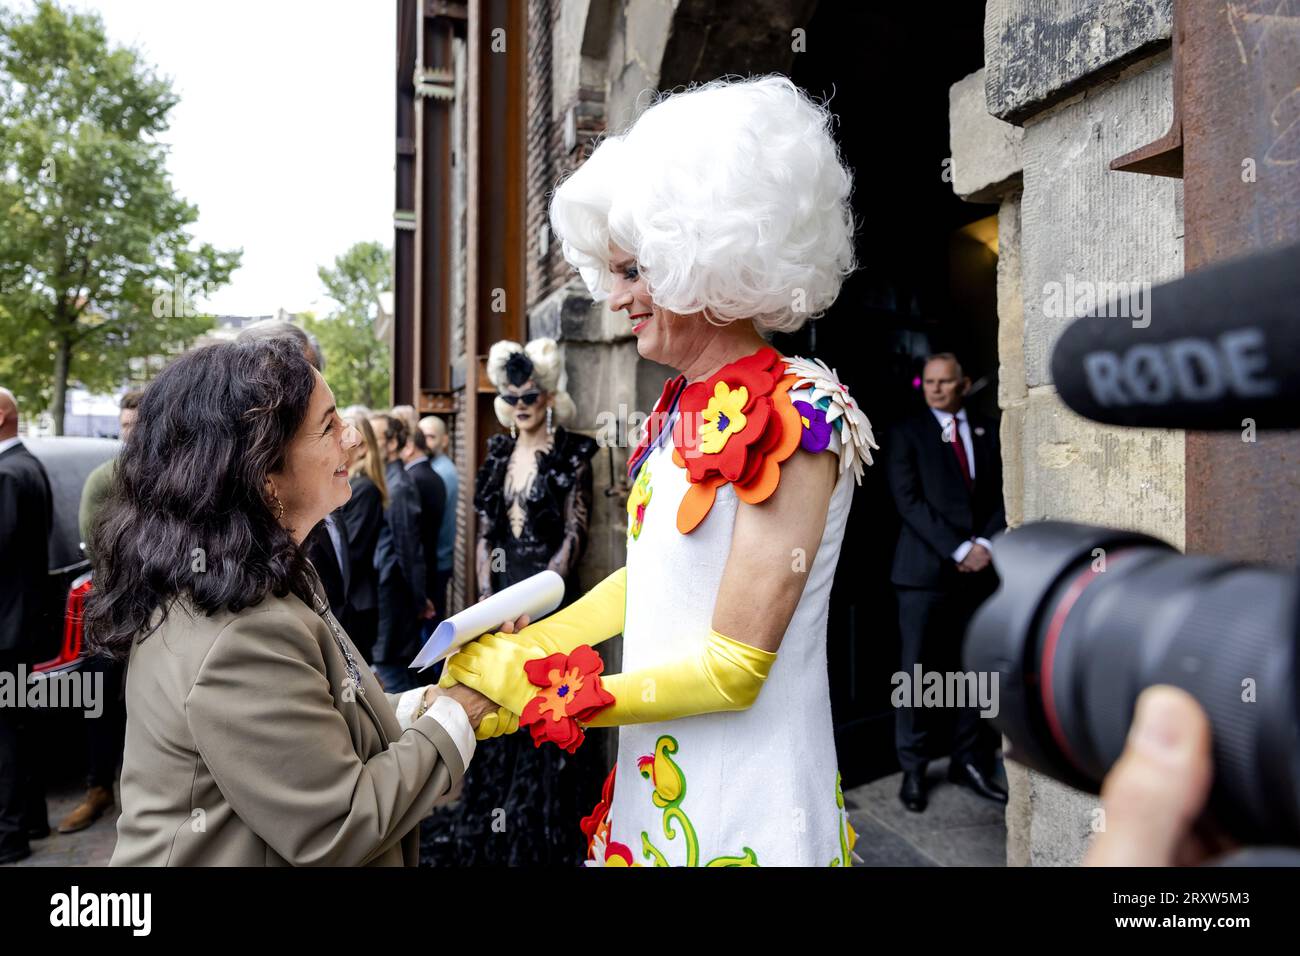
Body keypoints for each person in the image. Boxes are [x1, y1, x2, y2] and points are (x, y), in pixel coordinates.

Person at [439, 76, 878, 866]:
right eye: (614, 272)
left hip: (745, 810)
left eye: (636, 271)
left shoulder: (803, 408)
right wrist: (532, 653)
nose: (616, 298)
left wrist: (546, 695)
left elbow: (735, 669)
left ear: (709, 261)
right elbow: (654, 578)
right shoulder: (678, 407)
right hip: (651, 788)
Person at [84, 338, 500, 865]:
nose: (353, 438)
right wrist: (456, 718)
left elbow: (319, 715)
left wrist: (424, 704)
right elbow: (338, 822)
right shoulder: (242, 633)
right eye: (328, 426)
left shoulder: (255, 577)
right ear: (263, 473)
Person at [423, 337, 601, 866]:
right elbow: (484, 533)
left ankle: (542, 845)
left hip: (550, 604)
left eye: (531, 395)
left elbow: (576, 531)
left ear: (548, 396)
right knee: (498, 709)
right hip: (500, 603)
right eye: (512, 397)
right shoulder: (499, 454)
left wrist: (538, 603)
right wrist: (488, 603)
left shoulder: (573, 453)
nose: (522, 405)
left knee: (547, 713)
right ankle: (497, 838)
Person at [887, 352, 1007, 812]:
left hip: (980, 573)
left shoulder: (987, 428)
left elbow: (1003, 492)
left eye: (945, 381)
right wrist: (959, 549)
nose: (935, 388)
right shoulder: (906, 432)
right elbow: (908, 500)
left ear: (965, 383)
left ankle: (968, 760)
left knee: (974, 671)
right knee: (916, 675)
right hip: (923, 575)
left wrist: (986, 546)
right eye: (929, 381)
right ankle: (913, 769)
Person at [58, 390, 141, 835]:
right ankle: (98, 788)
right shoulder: (104, 478)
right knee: (99, 700)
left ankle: (140, 791)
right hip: (115, 609)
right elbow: (102, 550)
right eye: (125, 426)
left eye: (137, 425)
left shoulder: (174, 474)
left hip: (165, 608)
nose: (131, 435)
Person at [0, 386, 54, 864]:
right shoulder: (29, 465)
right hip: (22, 625)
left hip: (5, 629)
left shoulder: (6, 472)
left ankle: (11, 835)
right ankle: (31, 818)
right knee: (18, 725)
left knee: (8, 735)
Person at [369, 413, 431, 693]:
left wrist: (420, 602)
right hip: (387, 596)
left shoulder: (400, 487)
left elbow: (409, 552)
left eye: (375, 437)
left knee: (396, 677)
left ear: (393, 443)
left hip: (395, 598)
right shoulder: (387, 482)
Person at [340, 414, 387, 664]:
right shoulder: (353, 485)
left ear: (363, 447)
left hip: (358, 603)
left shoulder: (364, 489)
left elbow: (352, 552)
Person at [419, 415, 458, 622]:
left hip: (437, 561)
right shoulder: (435, 468)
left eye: (431, 437)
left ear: (445, 440)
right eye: (421, 436)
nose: (424, 442)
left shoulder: (442, 473)